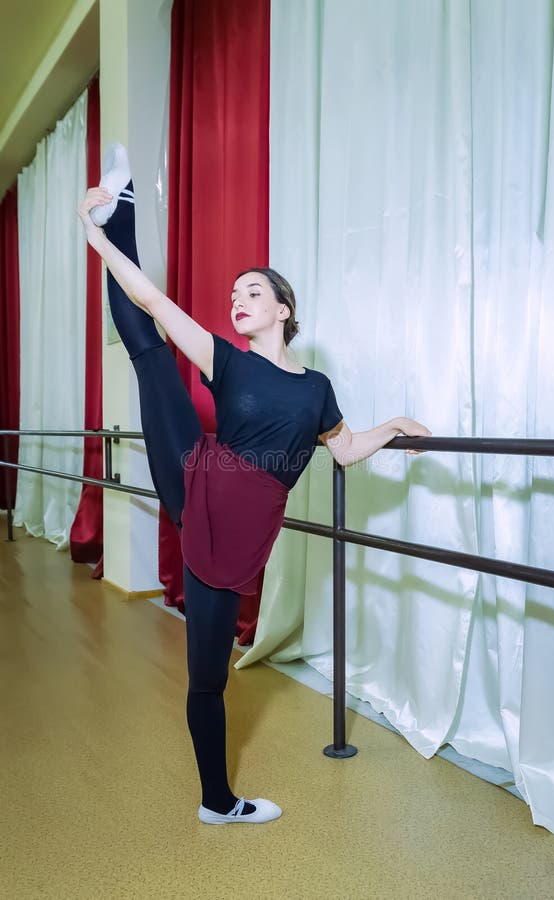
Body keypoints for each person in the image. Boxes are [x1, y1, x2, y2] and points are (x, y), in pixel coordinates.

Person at [77, 143, 431, 825]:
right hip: (197, 477)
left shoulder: (316, 389)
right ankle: (119, 204)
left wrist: (390, 425)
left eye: (252, 292)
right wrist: (98, 236)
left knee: (208, 676)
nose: (237, 300)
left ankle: (216, 804)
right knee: (151, 353)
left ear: (283, 310)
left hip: (243, 533)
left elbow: (346, 450)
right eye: (233, 293)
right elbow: (148, 296)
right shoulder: (226, 361)